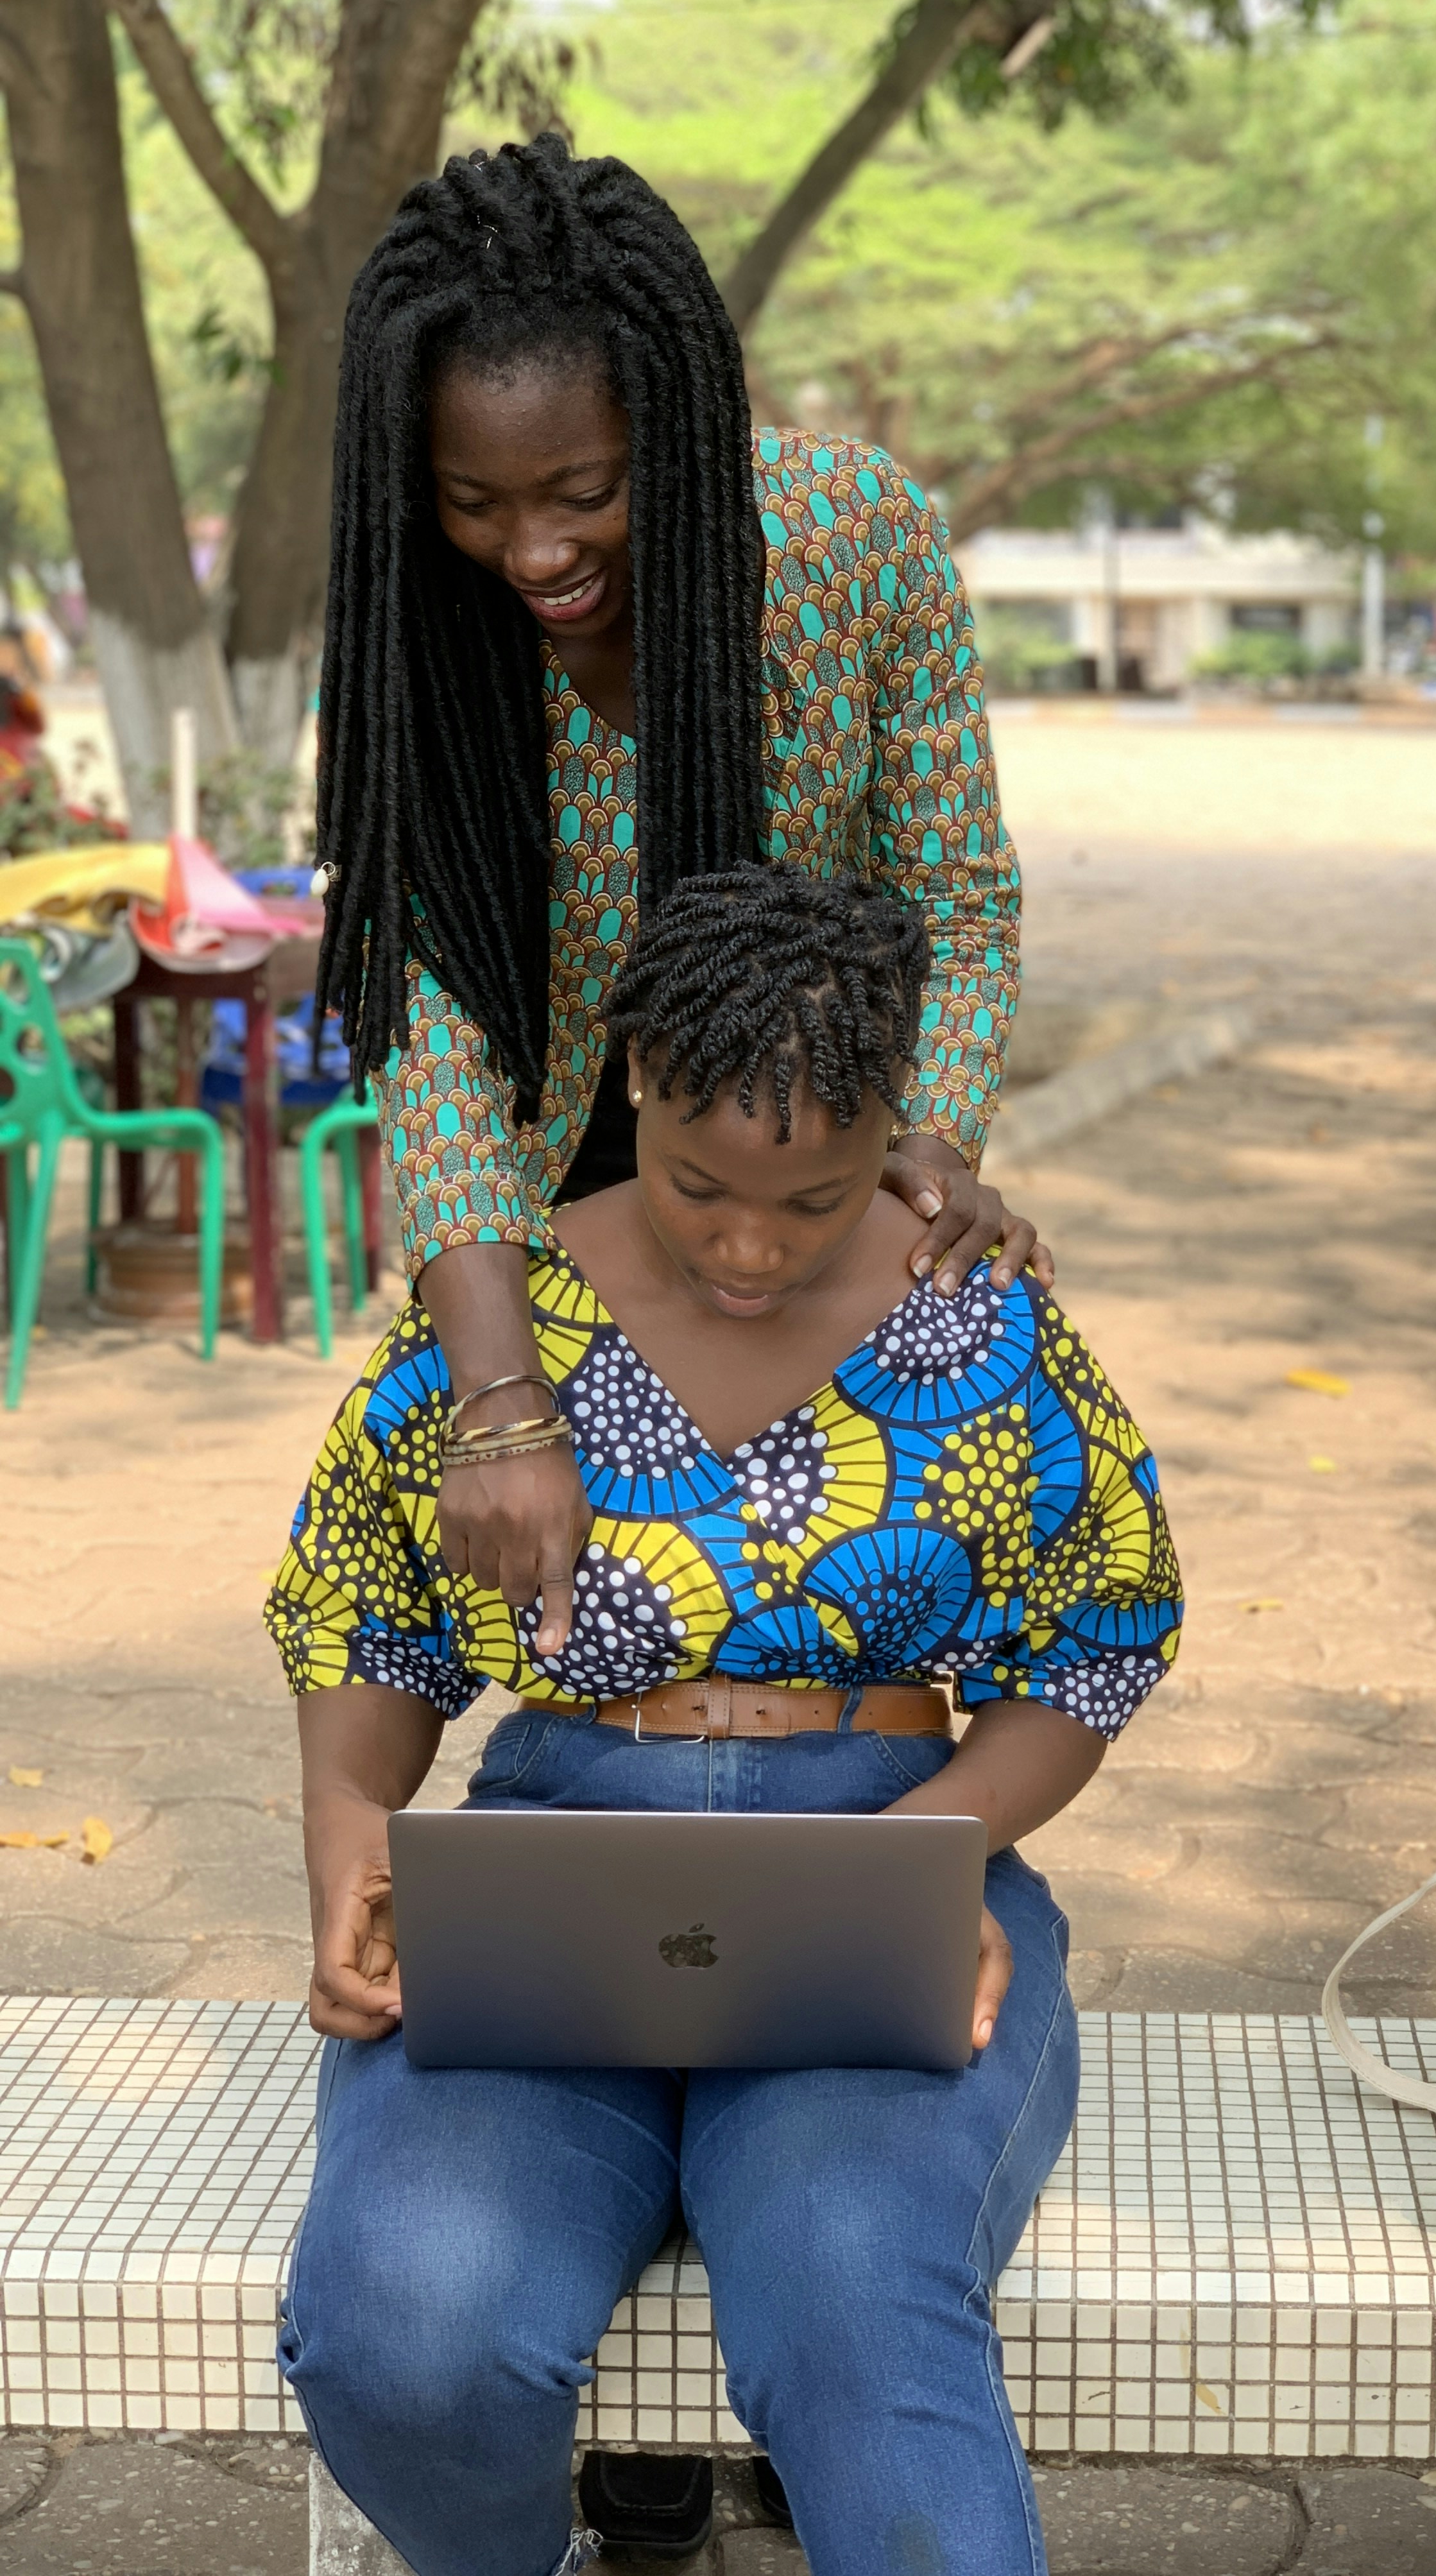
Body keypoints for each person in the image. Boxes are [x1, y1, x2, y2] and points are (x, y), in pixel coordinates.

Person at [268, 869, 1183, 2576]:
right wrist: (344, 1851)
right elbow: (364, 1615)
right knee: (413, 2317)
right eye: (700, 1187)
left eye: (816, 1200)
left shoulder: (976, 1304)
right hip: (557, 1866)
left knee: (853, 2298)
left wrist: (930, 1858)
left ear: (904, 1133)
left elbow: (1093, 1647)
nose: (751, 1245)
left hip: (888, 1852)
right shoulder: (506, 1315)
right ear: (631, 1081)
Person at [311, 129, 1041, 1699]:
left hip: (784, 1160)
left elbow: (959, 903)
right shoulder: (424, 626)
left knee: (845, 1587)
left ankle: (852, 1877)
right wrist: (500, 1388)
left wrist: (931, 1137)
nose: (536, 551)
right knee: (468, 1590)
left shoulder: (854, 541)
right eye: (473, 502)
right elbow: (427, 997)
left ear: (679, 425)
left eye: (584, 490)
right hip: (522, 1196)